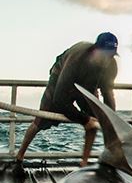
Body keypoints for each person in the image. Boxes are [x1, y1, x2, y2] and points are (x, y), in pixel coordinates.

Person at [15, 32, 119, 167]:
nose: (107, 59)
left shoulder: (111, 66)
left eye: (110, 55)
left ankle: (84, 162)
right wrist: (84, 119)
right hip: (61, 77)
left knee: (95, 120)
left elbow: (108, 94)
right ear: (95, 50)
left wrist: (111, 122)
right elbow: (59, 99)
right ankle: (19, 157)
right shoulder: (77, 58)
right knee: (39, 120)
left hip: (87, 84)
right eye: (104, 55)